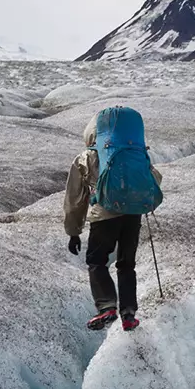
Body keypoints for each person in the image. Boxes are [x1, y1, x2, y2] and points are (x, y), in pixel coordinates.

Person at [63, 110, 162, 332]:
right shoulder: (134, 152)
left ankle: (107, 306)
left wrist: (73, 231)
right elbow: (154, 178)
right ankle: (128, 314)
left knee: (97, 261)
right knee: (127, 265)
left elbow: (74, 198)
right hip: (133, 215)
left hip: (104, 216)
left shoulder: (86, 157)